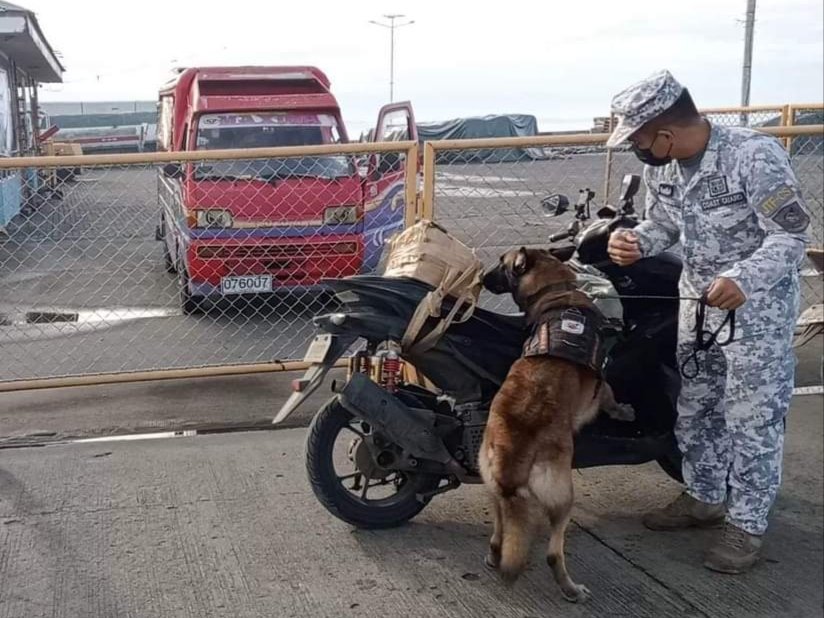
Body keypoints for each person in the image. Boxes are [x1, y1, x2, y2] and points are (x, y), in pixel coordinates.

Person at [605, 69, 810, 574]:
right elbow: (663, 225)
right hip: (696, 308)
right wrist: (635, 242)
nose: (637, 148)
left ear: (665, 131)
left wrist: (744, 277)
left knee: (752, 420)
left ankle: (746, 524)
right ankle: (704, 496)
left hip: (756, 314)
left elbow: (791, 235)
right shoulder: (666, 168)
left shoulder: (752, 155)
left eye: (638, 138)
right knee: (696, 408)